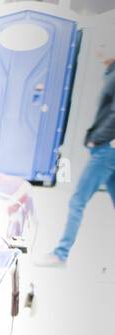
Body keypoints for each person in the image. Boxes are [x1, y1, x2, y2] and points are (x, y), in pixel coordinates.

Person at [40, 42, 115, 266]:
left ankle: (60, 254)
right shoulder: (110, 72)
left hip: (105, 150)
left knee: (77, 201)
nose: (98, 49)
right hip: (107, 149)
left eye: (104, 45)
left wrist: (97, 138)